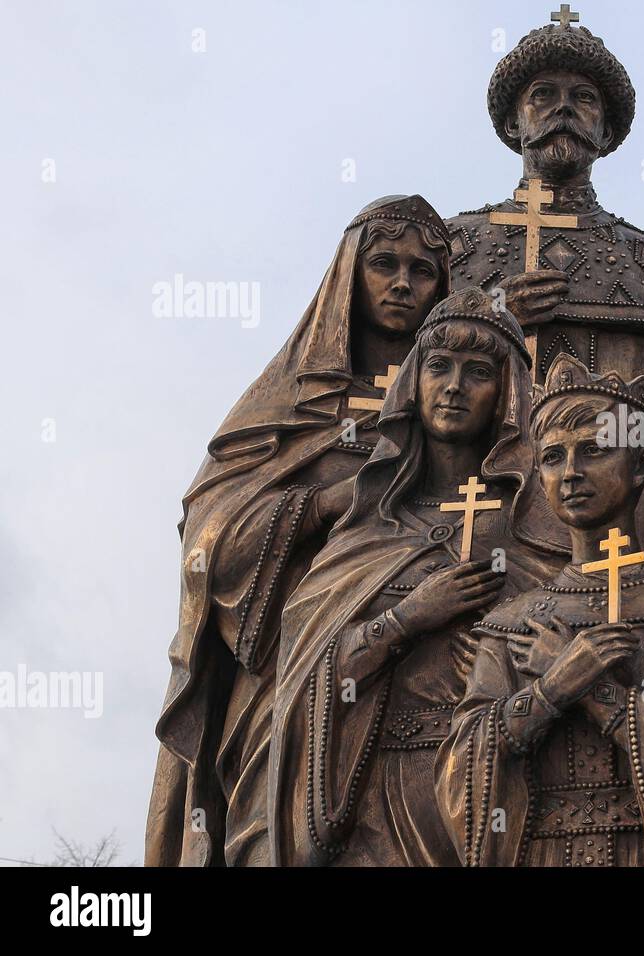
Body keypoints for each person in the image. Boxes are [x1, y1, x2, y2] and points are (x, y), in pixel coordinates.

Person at [146, 195, 451, 866]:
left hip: (426, 662)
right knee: (275, 836)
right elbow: (207, 546)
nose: (403, 283)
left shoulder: (458, 404)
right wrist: (320, 505)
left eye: (422, 271)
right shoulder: (285, 409)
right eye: (384, 264)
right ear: (348, 274)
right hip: (290, 662)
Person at [434, 354, 644, 867]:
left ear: (639, 466)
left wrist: (598, 690)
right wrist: (549, 692)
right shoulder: (511, 624)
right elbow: (461, 770)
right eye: (552, 457)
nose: (571, 473)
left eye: (593, 450)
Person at [269, 290, 563, 865]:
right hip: (380, 785)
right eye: (438, 366)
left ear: (506, 394)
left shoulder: (536, 529)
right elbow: (307, 682)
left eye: (478, 372)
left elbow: (567, 642)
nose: (454, 386)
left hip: (501, 783)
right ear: (414, 382)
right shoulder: (364, 534)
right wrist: (406, 619)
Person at [445, 15, 644, 565]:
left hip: (628, 564)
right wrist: (488, 316)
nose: (563, 108)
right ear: (512, 123)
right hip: (473, 549)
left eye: (584, 98)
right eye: (543, 95)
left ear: (608, 132)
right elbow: (387, 389)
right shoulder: (451, 253)